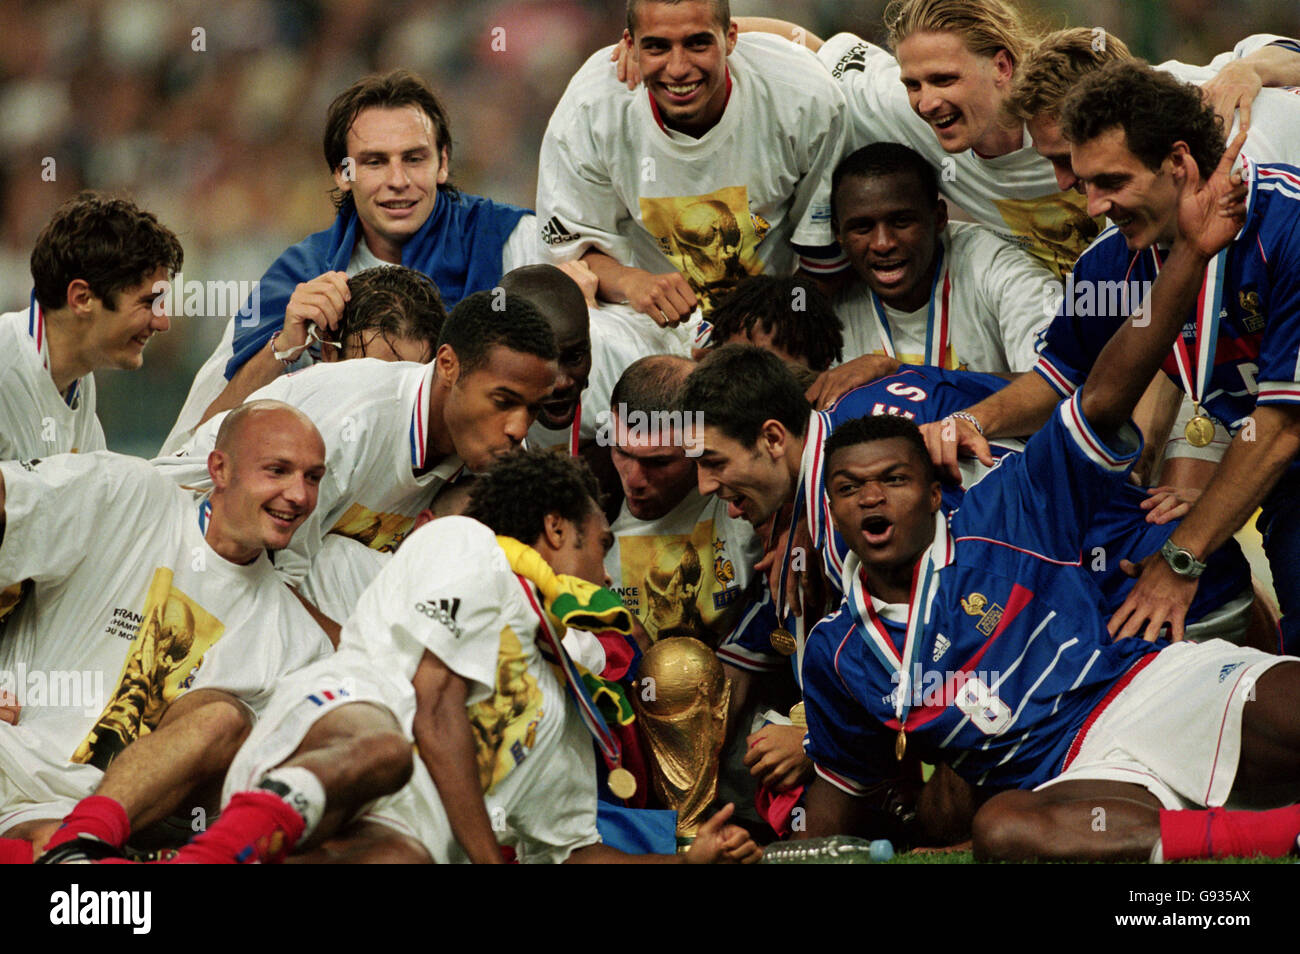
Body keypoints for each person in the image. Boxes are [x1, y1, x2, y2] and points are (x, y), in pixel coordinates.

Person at [801, 129, 1300, 862]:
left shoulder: (1007, 507)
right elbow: (842, 792)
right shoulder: (837, 649)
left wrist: (1191, 253)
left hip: (1147, 687)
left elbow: (1101, 395)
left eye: (894, 480)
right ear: (833, 510)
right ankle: (1268, 839)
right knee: (1004, 831)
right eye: (849, 489)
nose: (872, 500)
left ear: (935, 493)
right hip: (1071, 776)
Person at [50, 451, 761, 864]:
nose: (608, 574)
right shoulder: (467, 548)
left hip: (406, 829)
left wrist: (681, 861)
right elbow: (435, 703)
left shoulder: (568, 708)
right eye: (599, 545)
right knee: (385, 749)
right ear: (555, 528)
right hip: (341, 724)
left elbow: (576, 851)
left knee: (404, 860)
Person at [931, 63, 1300, 652]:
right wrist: (973, 421)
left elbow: (1282, 427)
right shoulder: (1110, 266)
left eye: (1111, 182)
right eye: (1084, 183)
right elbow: (1059, 380)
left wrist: (1181, 559)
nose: (1094, 205)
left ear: (1178, 162)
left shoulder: (1288, 224)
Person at [727, 1, 1300, 277]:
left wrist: (1252, 71)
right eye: (915, 83)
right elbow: (801, 45)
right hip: (1083, 326)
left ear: (1003, 66)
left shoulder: (1110, 103)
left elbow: (1275, 58)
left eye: (944, 80)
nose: (926, 101)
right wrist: (689, 37)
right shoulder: (901, 110)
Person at [0, 401, 334, 863]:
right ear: (219, 468)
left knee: (224, 718)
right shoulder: (130, 495)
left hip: (94, 826)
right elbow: (9, 505)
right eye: (278, 470)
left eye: (313, 477)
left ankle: (76, 849)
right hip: (10, 759)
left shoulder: (300, 645)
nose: (298, 495)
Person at [161, 69, 540, 452]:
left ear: (442, 163)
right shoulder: (297, 279)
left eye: (413, 158)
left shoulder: (510, 241)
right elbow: (195, 445)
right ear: (344, 173)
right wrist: (284, 346)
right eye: (375, 162)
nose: (398, 179)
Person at [153, 289, 559, 588]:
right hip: (173, 549)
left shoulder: (499, 457)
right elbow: (271, 580)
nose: (518, 428)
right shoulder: (353, 421)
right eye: (503, 401)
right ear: (448, 366)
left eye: (533, 409)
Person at [536, 0, 847, 327]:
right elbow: (570, 261)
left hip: (777, 327)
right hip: (643, 325)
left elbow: (822, 258)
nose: (678, 68)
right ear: (630, 45)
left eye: (697, 43)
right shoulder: (593, 107)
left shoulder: (804, 97)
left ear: (731, 38)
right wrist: (632, 281)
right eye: (657, 47)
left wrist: (767, 334)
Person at [809, 142, 1057, 409]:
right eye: (862, 227)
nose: (882, 243)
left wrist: (902, 375)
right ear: (838, 234)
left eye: (901, 221)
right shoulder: (826, 299)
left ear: (939, 217)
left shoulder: (999, 271)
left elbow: (1060, 391)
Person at [700, 275, 843, 372]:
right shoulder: (691, 411)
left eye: (770, 368)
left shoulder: (845, 413)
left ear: (823, 368)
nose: (744, 381)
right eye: (732, 363)